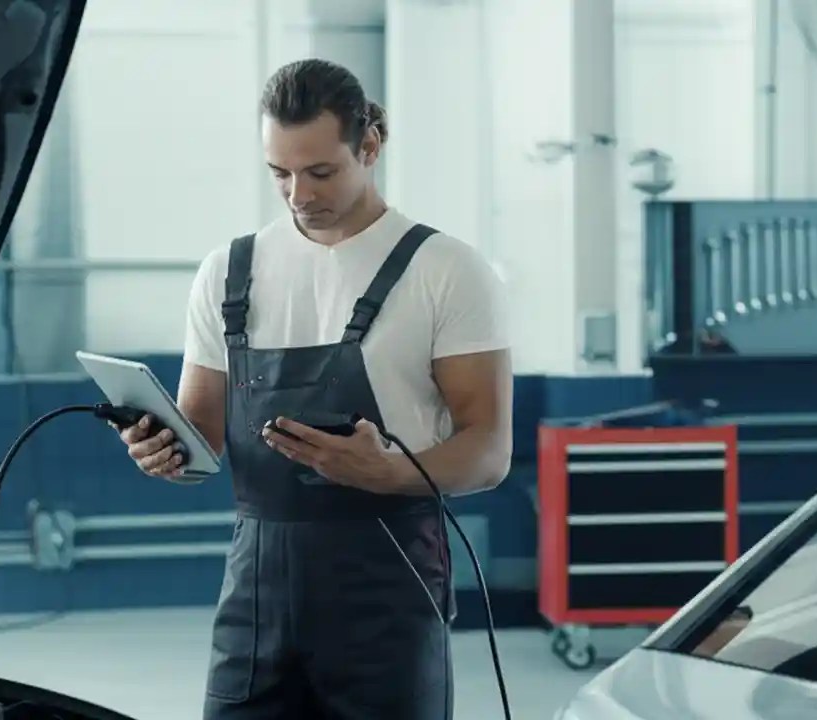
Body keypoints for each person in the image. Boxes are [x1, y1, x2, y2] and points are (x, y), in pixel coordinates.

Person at [116, 58, 513, 719]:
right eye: (280, 174)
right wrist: (163, 452)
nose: (299, 193)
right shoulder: (227, 273)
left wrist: (385, 472)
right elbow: (200, 443)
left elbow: (489, 451)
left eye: (320, 171)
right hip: (254, 592)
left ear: (370, 146)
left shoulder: (447, 271)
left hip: (387, 586)